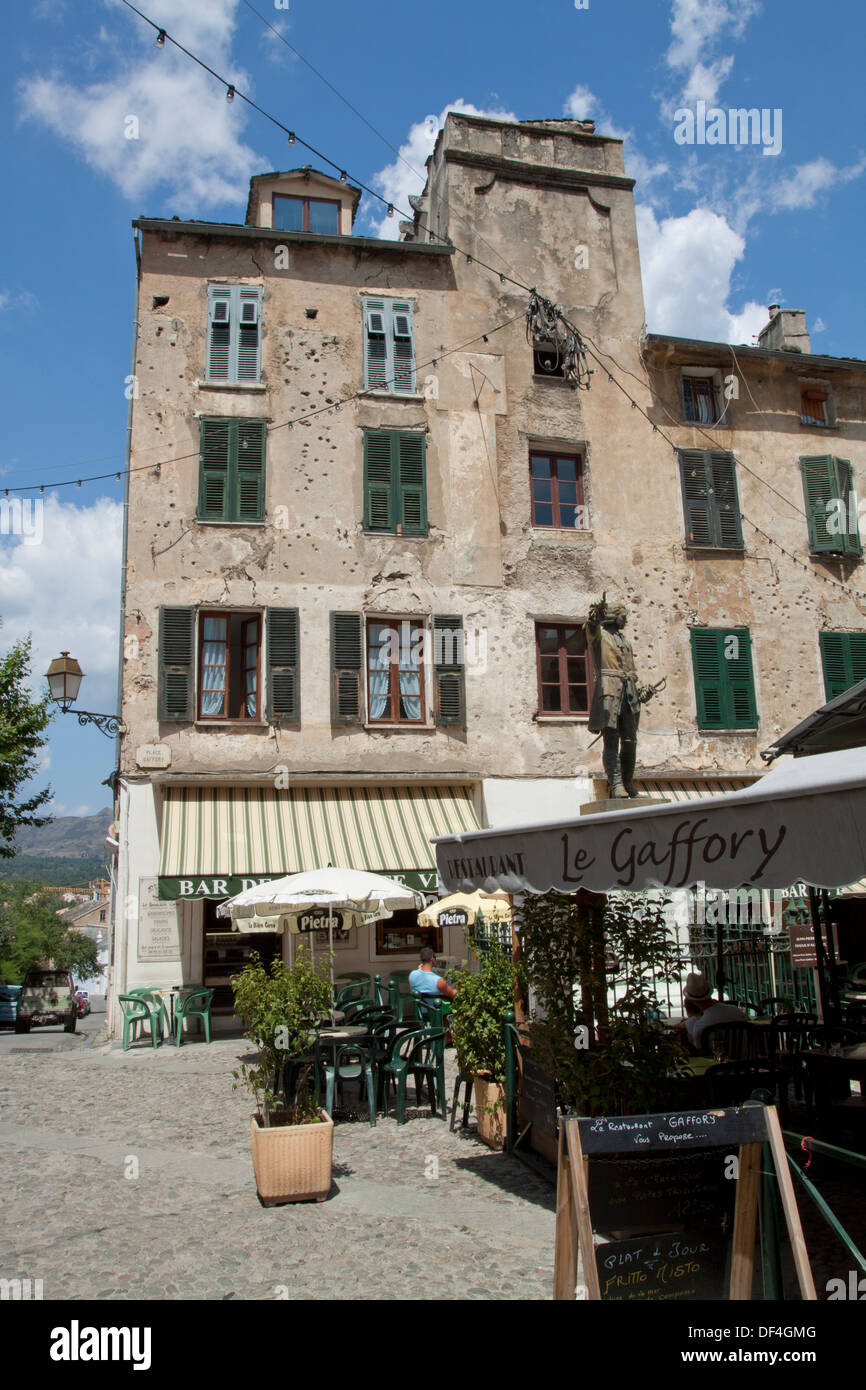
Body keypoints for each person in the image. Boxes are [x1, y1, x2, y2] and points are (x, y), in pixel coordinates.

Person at [585, 593, 656, 799]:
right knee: (612, 739)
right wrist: (594, 617)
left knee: (630, 740)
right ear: (614, 616)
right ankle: (616, 784)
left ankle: (627, 782)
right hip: (609, 689)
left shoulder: (625, 641)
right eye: (623, 614)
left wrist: (642, 690)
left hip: (628, 692)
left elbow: (630, 669)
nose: (626, 619)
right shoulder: (600, 636)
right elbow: (590, 629)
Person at [678, 972, 746, 1051]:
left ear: (691, 1000)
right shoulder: (736, 1011)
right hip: (745, 1061)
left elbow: (700, 1053)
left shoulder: (701, 1026)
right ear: (709, 993)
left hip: (717, 1062)